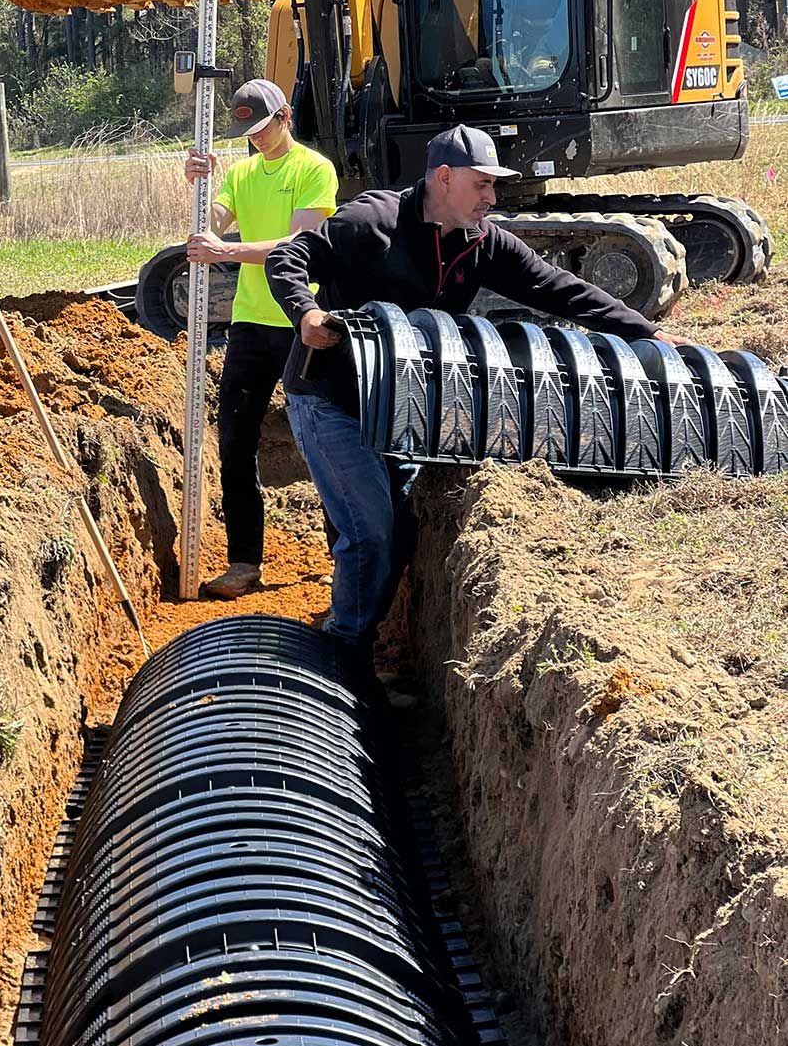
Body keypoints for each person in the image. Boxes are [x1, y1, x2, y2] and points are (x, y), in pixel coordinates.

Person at [265, 122, 688, 659]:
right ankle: (342, 657)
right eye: (483, 184)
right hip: (330, 399)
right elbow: (288, 257)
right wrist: (306, 313)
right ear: (444, 177)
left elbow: (560, 289)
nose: (493, 197)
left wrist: (646, 332)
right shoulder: (371, 221)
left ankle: (366, 638)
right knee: (370, 536)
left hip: (401, 406)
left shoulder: (482, 243)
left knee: (395, 536)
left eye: (495, 186)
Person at [186, 78, 338, 599]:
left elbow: (298, 245)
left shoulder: (314, 170)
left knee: (322, 442)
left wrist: (224, 252)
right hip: (250, 324)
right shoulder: (243, 173)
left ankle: (342, 557)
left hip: (304, 322)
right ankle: (244, 562)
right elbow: (213, 221)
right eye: (246, 130)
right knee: (234, 442)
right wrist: (197, 187)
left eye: (261, 126)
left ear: (285, 116)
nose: (254, 138)